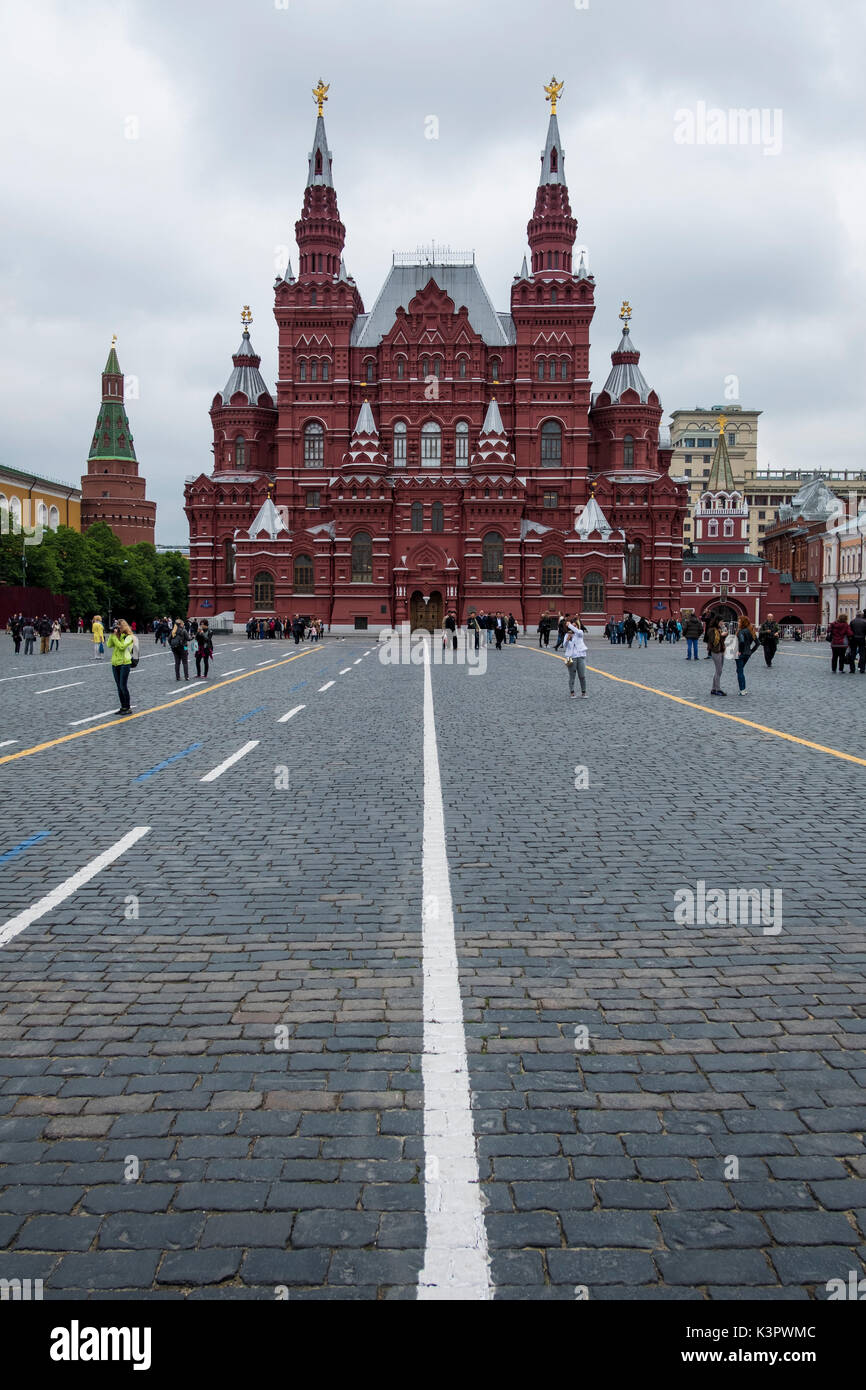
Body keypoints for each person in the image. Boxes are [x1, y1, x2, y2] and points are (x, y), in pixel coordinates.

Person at [106, 619, 134, 714]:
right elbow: (109, 645)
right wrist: (112, 635)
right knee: (119, 687)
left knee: (123, 686)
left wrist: (115, 637)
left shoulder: (129, 637)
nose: (117, 629)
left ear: (123, 627)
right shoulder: (116, 636)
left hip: (125, 663)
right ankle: (123, 707)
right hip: (115, 663)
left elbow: (122, 647)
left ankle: (128, 707)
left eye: (118, 627)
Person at [563, 615, 588, 698]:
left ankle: (583, 692)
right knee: (572, 676)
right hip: (571, 657)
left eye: (575, 626)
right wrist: (567, 639)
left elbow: (578, 631)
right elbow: (564, 645)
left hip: (581, 656)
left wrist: (570, 625)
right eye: (572, 626)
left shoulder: (579, 633)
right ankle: (572, 692)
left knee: (582, 675)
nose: (573, 628)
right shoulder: (567, 635)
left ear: (577, 626)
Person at [734, 616, 760, 696]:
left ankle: (742, 690)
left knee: (740, 671)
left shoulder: (741, 631)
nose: (738, 623)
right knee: (740, 671)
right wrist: (751, 651)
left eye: (739, 621)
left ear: (743, 623)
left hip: (741, 654)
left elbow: (741, 642)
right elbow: (758, 643)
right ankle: (744, 689)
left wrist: (740, 651)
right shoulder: (751, 631)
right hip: (748, 654)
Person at [706, 616, 727, 696]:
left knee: (718, 671)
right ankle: (717, 689)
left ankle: (714, 689)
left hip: (721, 650)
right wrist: (721, 635)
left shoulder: (719, 629)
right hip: (716, 651)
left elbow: (721, 640)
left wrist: (724, 635)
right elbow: (713, 641)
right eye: (721, 621)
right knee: (719, 671)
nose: (722, 623)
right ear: (717, 621)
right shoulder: (712, 630)